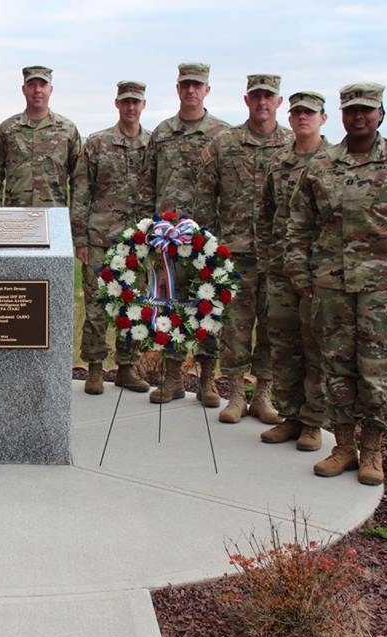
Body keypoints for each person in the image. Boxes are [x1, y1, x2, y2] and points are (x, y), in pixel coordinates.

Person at [287, 82, 387, 485]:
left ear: (380, 113)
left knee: (375, 375)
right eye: (352, 110)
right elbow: (298, 226)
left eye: (367, 109)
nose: (359, 116)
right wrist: (303, 276)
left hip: (385, 290)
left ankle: (372, 451)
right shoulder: (322, 166)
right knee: (337, 371)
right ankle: (344, 447)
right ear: (341, 114)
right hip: (331, 288)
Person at [193, 75, 293, 424]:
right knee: (234, 325)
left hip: (278, 255)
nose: (262, 103)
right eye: (256, 96)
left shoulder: (292, 145)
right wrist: (206, 247)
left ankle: (262, 394)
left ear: (278, 102)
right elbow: (205, 198)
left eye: (269, 97)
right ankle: (235, 393)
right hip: (234, 252)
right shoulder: (225, 144)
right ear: (246, 99)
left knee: (272, 326)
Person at [134, 62, 230, 405]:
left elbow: (228, 189)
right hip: (166, 241)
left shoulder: (222, 134)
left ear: (207, 90)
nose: (191, 90)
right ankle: (172, 377)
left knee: (207, 306)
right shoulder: (161, 133)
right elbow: (147, 185)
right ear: (178, 89)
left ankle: (207, 380)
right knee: (170, 304)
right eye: (185, 85)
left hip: (206, 239)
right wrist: (145, 232)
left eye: (197, 85)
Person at [257, 91, 330, 451]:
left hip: (320, 272)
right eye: (297, 113)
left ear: (323, 119)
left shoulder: (335, 162)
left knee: (315, 345)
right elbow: (265, 214)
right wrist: (266, 257)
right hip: (282, 269)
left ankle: (314, 422)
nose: (303, 118)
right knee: (283, 345)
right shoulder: (278, 163)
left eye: (310, 113)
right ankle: (290, 416)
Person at [73, 81, 152, 395]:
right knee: (96, 307)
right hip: (100, 238)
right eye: (125, 102)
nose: (131, 108)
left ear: (143, 105)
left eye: (136, 102)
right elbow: (81, 191)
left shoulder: (152, 144)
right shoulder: (97, 143)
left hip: (138, 240)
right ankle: (94, 368)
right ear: (117, 105)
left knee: (132, 305)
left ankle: (126, 367)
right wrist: (80, 238)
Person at [0, 66, 83, 207]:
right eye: (31, 85)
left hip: (54, 214)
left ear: (51, 89)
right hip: (16, 216)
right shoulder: (7, 129)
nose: (37, 90)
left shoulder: (67, 129)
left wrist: (74, 218)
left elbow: (79, 178)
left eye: (43, 85)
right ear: (23, 89)